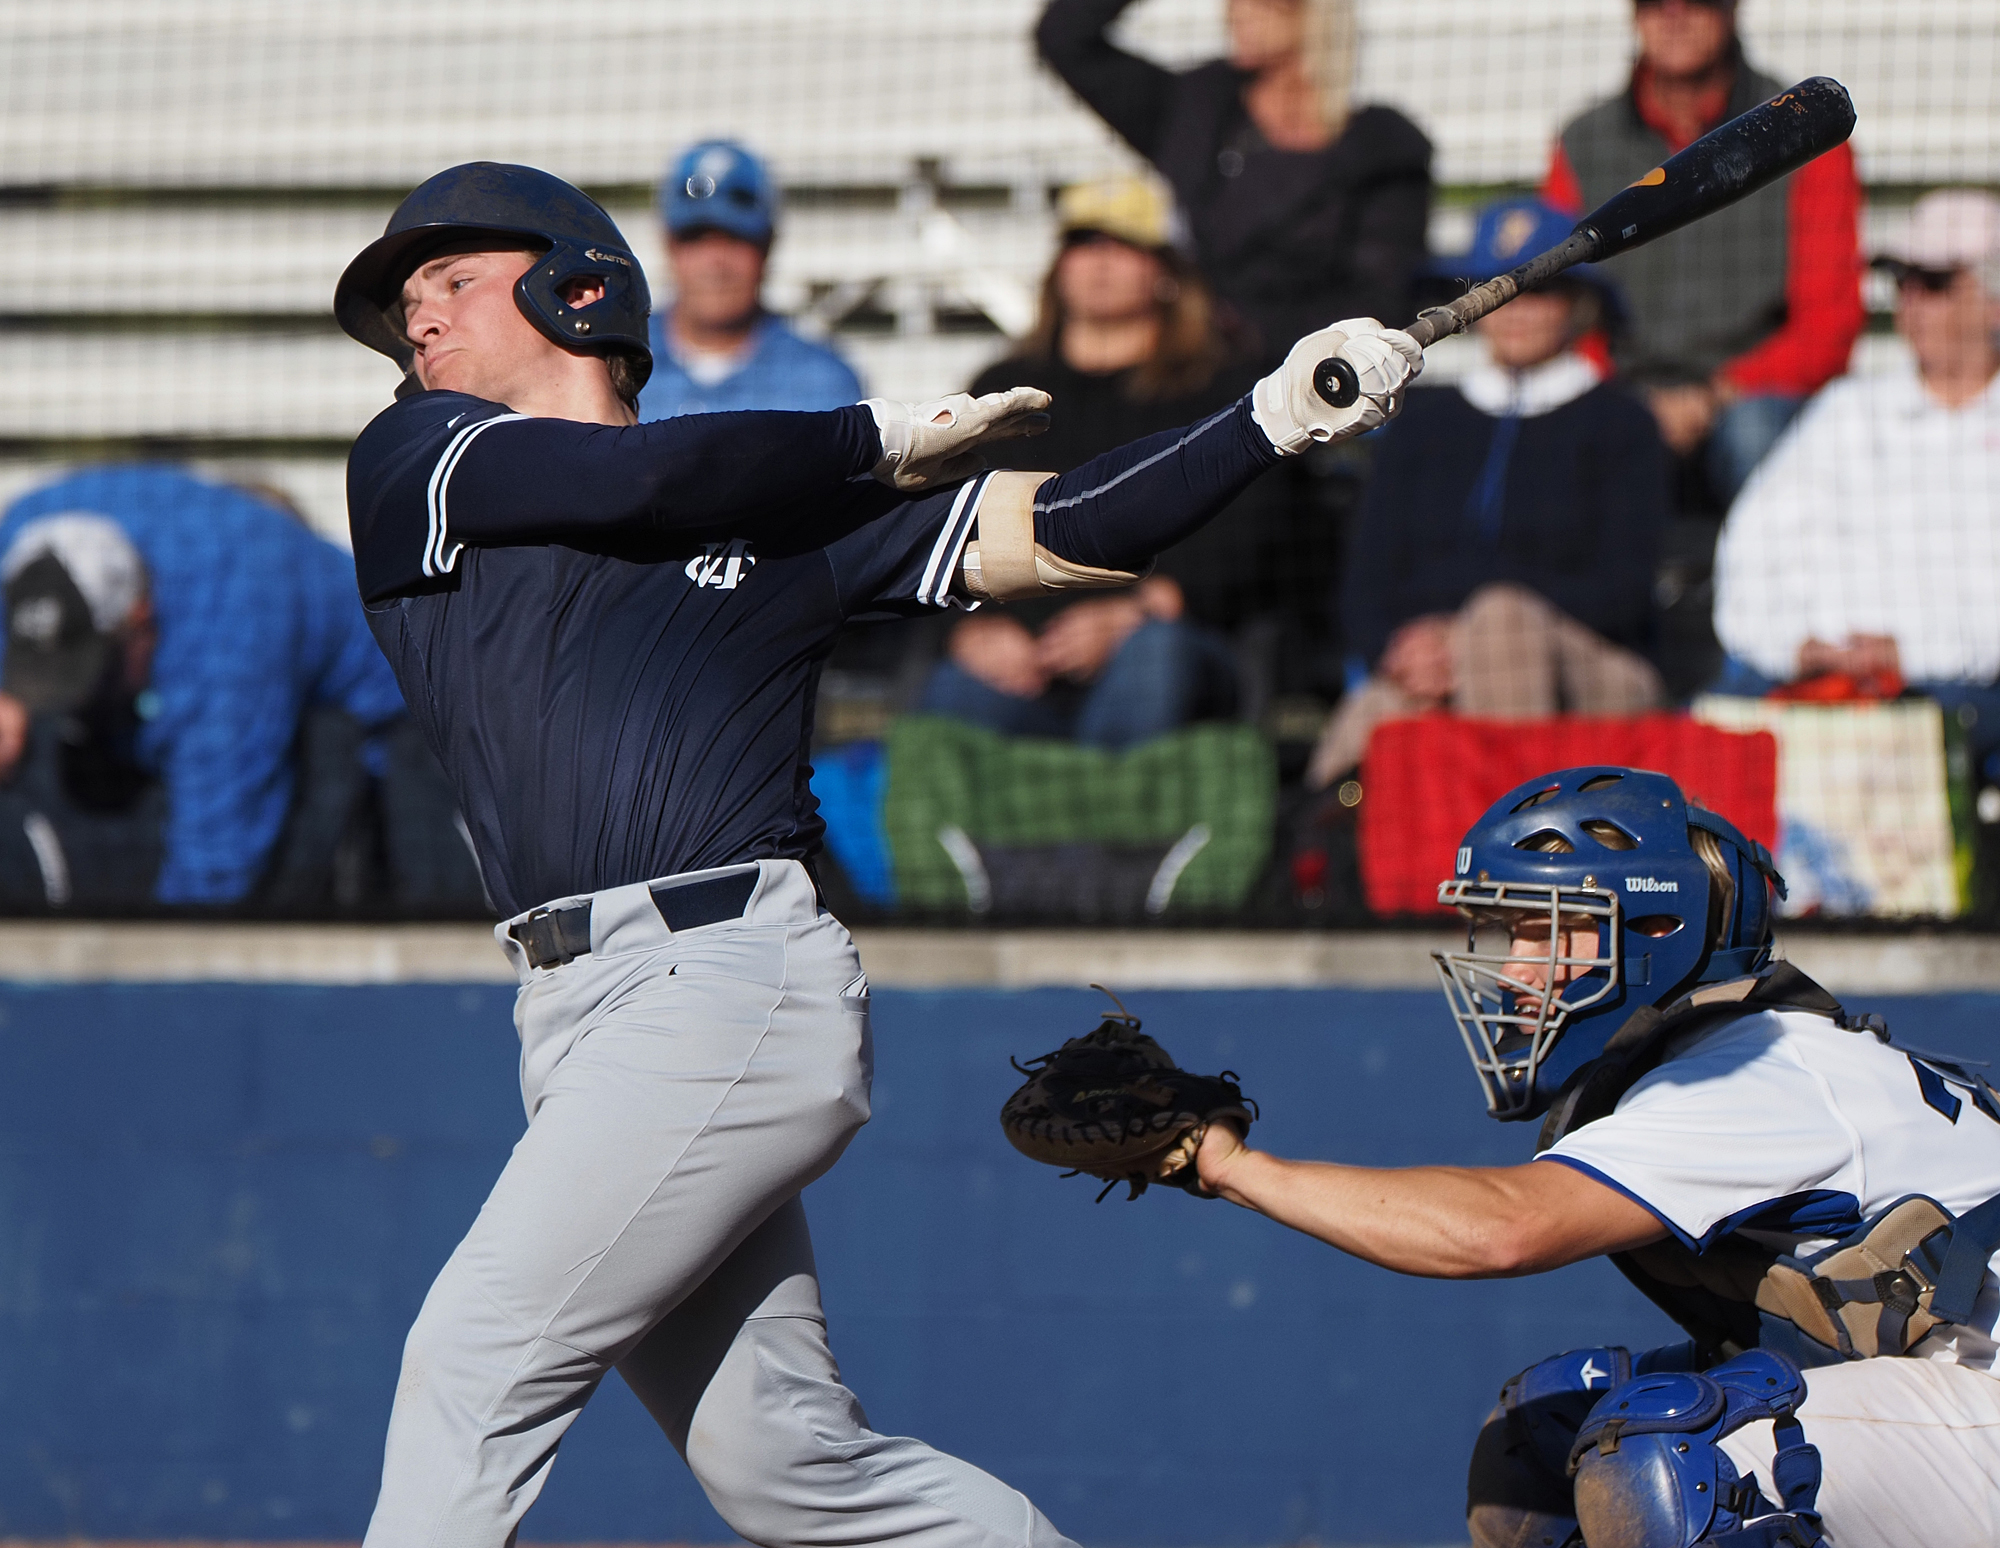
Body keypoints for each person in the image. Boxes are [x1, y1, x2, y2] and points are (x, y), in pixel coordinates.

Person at [329, 159, 1420, 1544]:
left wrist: (1270, 418)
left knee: (472, 1360)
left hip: (726, 979)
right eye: (409, 299)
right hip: (576, 1013)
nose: (417, 321)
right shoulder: (420, 459)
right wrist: (862, 439)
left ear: (578, 289)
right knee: (787, 1468)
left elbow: (1074, 529)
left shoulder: (780, 507)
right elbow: (647, 474)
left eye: (452, 283)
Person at [1189, 764, 2000, 1548]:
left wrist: (1230, 1166)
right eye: (1510, 932)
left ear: (1655, 928)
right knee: (1544, 1434)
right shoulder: (1747, 1051)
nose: (1511, 972)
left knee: (1673, 1460)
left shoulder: (1747, 1069)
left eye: (1543, 930)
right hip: (1964, 1386)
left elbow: (1500, 1231)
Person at [1306, 199, 1671, 788]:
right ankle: (1324, 867)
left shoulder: (1622, 423)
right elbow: (1366, 582)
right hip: (1433, 666)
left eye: (1541, 292)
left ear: (1579, 305)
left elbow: (1623, 592)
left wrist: (1468, 629)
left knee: (1502, 623)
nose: (1517, 311)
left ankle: (1521, 856)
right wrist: (1401, 648)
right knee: (1368, 730)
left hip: (1595, 670)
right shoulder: (1421, 422)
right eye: (1496, 292)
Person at [923, 175, 1255, 747]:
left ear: (1167, 272)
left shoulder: (1215, 389)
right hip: (1019, 662)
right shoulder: (1002, 391)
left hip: (1161, 641)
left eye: (1123, 246)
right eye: (1082, 243)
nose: (1099, 263)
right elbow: (943, 522)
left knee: (1156, 658)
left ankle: (1125, 835)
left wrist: (1140, 613)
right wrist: (970, 630)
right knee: (949, 694)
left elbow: (1249, 533)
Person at [0, 467, 408, 908]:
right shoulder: (25, 531)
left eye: (91, 670)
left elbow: (215, 866)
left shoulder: (230, 646)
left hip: (382, 718)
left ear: (140, 620)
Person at [1709, 189, 2000, 777]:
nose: (1911, 303)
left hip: (1958, 692)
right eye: (1902, 282)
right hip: (1815, 678)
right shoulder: (1847, 412)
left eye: (1935, 284)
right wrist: (1800, 645)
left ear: (1993, 302)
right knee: (1707, 737)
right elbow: (1748, 554)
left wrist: (1908, 654)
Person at [1543, 0, 1864, 504]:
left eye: (1697, 1)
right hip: (1621, 388)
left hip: (1754, 399)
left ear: (1732, 10)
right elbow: (1560, 308)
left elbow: (1827, 324)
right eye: (1654, 3)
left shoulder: (1804, 129)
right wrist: (1636, 402)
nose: (1674, 16)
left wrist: (1717, 395)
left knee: (1755, 435)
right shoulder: (1583, 140)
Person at [1038, 0, 1432, 363]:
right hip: (1178, 372)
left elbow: (1377, 298)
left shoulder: (1380, 149)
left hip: (1299, 381)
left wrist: (1242, 338)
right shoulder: (1193, 113)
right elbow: (1066, 38)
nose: (1237, 10)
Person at [636, 138, 863, 420]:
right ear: (668, 245)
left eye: (736, 238)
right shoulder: (615, 368)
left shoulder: (823, 384)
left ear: (768, 247)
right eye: (695, 238)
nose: (716, 261)